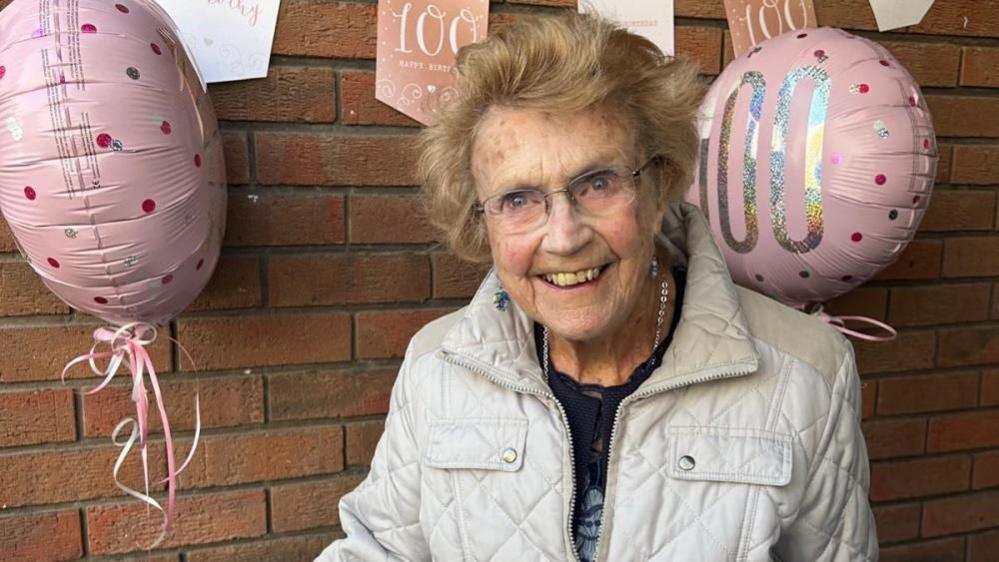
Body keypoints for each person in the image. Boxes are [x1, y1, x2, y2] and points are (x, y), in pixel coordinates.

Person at [316, 11, 877, 562]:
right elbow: (379, 548)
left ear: (659, 188)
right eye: (517, 199)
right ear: (479, 223)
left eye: (598, 183)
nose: (562, 237)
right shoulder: (436, 367)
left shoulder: (808, 374)